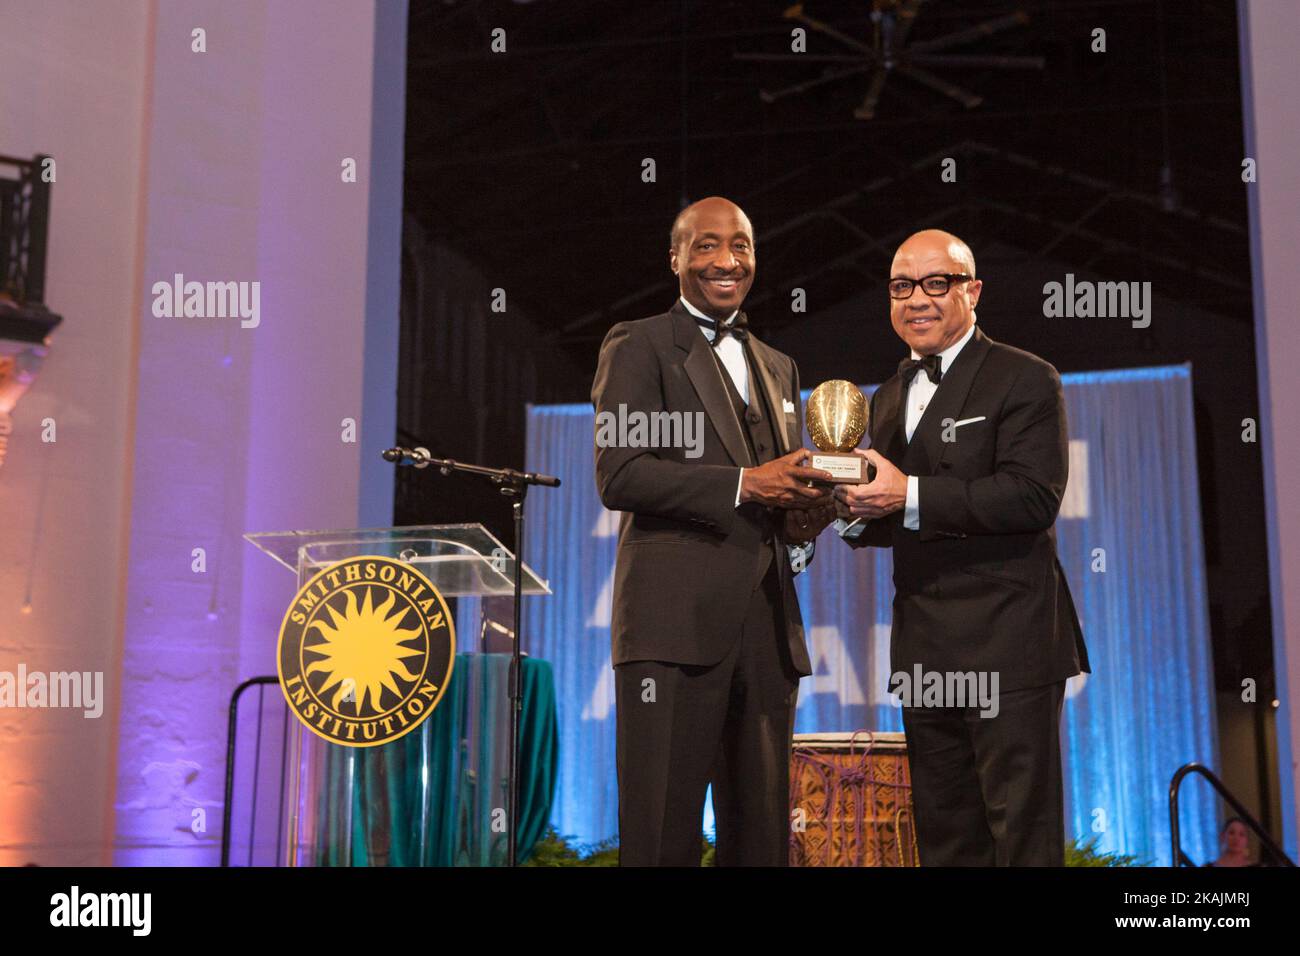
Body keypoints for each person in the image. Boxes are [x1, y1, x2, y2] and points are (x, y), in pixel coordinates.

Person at [591, 196, 836, 866]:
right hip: (672, 629)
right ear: (675, 257)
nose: (726, 261)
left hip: (767, 631)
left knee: (760, 840)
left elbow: (780, 499)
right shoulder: (637, 343)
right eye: (705, 245)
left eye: (741, 245)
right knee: (662, 834)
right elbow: (621, 473)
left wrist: (809, 519)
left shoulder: (779, 366)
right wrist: (745, 483)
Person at [834, 229, 1090, 866]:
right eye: (900, 287)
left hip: (1011, 646)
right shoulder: (888, 395)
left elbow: (1032, 497)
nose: (915, 299)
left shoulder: (1026, 378)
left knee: (1021, 839)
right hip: (926, 648)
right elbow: (890, 506)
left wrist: (908, 494)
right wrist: (841, 511)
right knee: (947, 841)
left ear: (972, 291)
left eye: (935, 283)